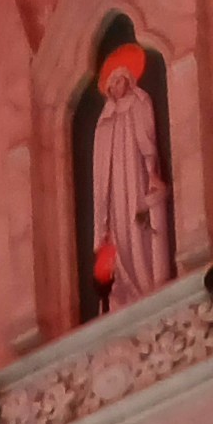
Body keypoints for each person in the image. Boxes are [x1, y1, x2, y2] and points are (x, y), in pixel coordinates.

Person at [87, 37, 170, 311]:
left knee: (140, 227)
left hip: (136, 178)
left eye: (120, 81)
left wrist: (151, 173)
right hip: (115, 189)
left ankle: (145, 280)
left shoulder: (140, 103)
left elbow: (147, 142)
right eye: (112, 84)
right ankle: (123, 286)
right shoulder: (105, 121)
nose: (117, 87)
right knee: (121, 231)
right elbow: (101, 168)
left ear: (128, 80)